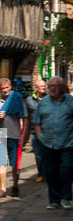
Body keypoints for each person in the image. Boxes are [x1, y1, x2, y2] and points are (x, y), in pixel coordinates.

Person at [31, 76, 73, 211]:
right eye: (51, 86)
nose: (53, 88)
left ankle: (66, 198)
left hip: (67, 142)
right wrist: (40, 137)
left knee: (66, 170)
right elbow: (37, 122)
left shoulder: (70, 101)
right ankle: (54, 200)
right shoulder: (43, 102)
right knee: (50, 172)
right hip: (48, 142)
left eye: (56, 86)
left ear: (61, 87)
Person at [0, 78, 25, 199]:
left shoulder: (17, 100)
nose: (5, 90)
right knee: (2, 163)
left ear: (11, 87)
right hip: (1, 136)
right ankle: (2, 188)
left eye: (7, 87)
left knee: (15, 164)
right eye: (2, 88)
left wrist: (22, 136)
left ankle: (15, 185)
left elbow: (23, 119)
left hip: (14, 135)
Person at [22, 77, 48, 184]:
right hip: (34, 131)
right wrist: (24, 136)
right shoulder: (29, 100)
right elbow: (27, 119)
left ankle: (48, 173)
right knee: (38, 154)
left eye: (44, 86)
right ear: (36, 88)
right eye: (41, 86)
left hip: (48, 131)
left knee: (47, 154)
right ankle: (41, 174)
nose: (43, 88)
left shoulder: (49, 98)